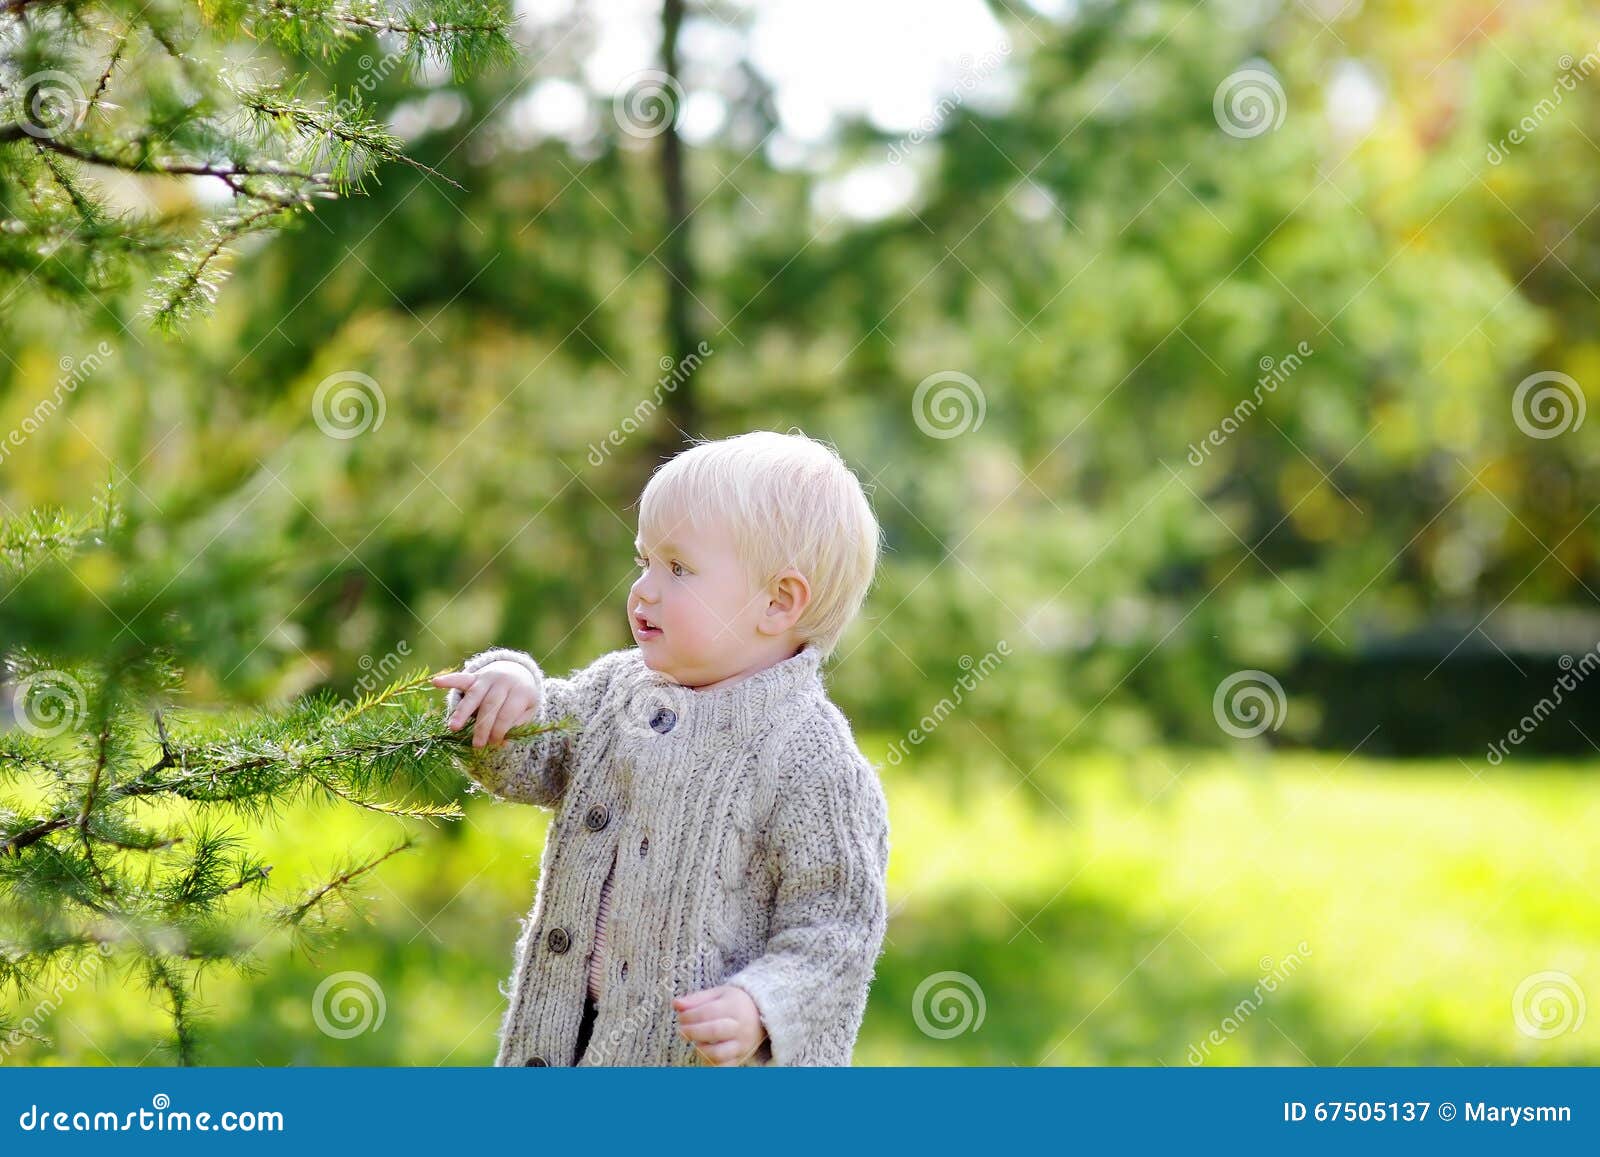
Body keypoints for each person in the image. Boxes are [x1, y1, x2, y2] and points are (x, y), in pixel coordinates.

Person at [431, 429, 890, 1066]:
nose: (645, 589)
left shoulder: (809, 758)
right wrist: (511, 689)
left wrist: (763, 1006)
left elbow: (837, 928)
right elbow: (535, 752)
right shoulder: (619, 691)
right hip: (564, 1037)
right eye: (644, 561)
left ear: (778, 602)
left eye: (678, 569)